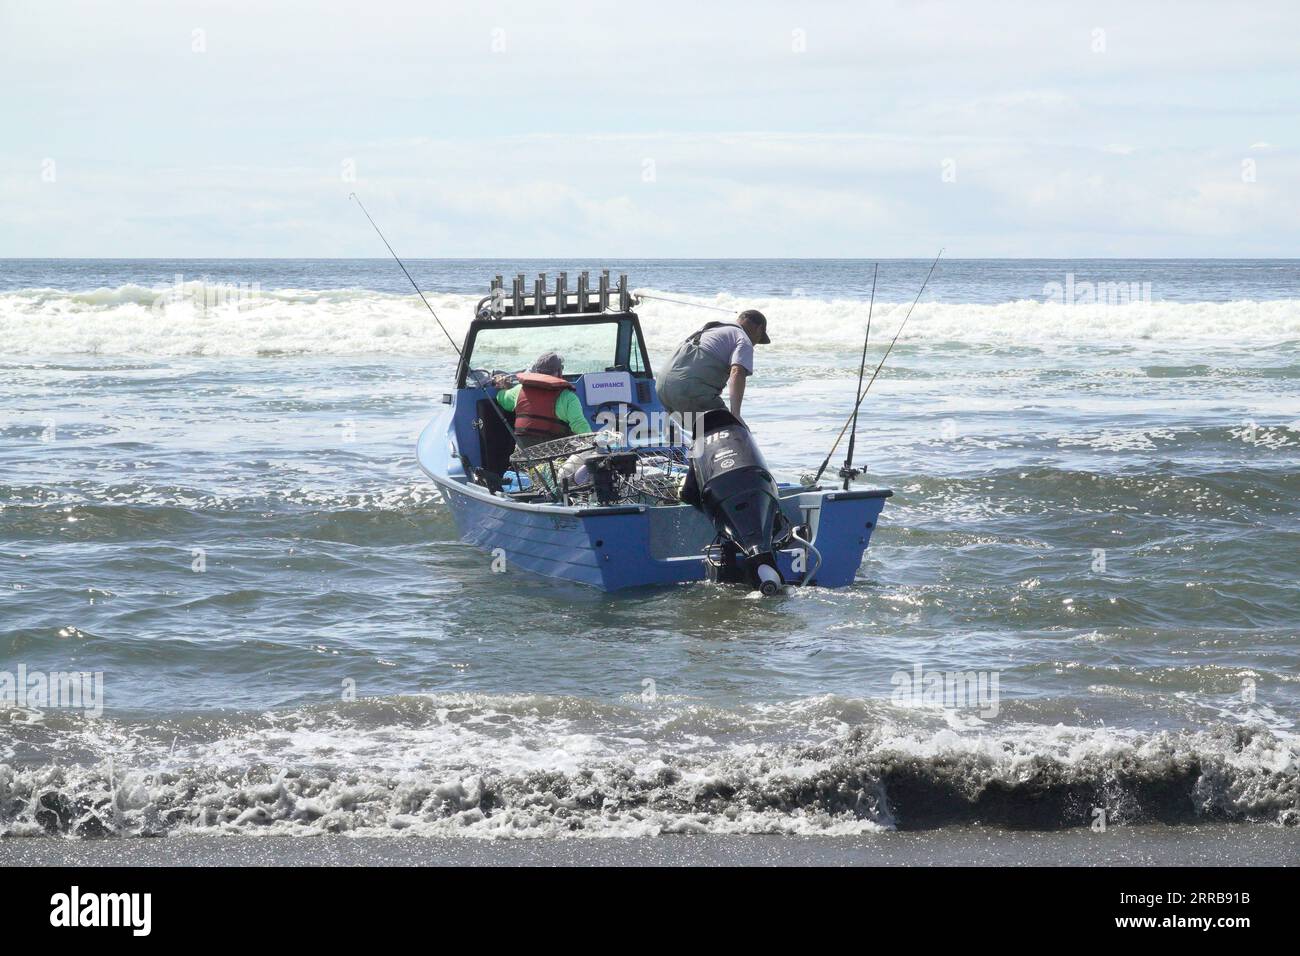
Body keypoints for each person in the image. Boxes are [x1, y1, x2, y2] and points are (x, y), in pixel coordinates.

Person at [656, 310, 769, 423]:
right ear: (759, 329)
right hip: (688, 390)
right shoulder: (743, 339)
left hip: (661, 388)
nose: (755, 344)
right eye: (759, 339)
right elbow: (737, 372)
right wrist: (736, 414)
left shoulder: (712, 328)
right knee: (731, 429)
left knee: (700, 431)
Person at [493, 351, 592, 448]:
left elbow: (502, 399)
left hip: (524, 458)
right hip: (557, 459)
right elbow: (580, 427)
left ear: (537, 371)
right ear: (559, 371)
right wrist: (593, 444)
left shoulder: (519, 390)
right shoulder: (568, 397)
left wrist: (505, 387)